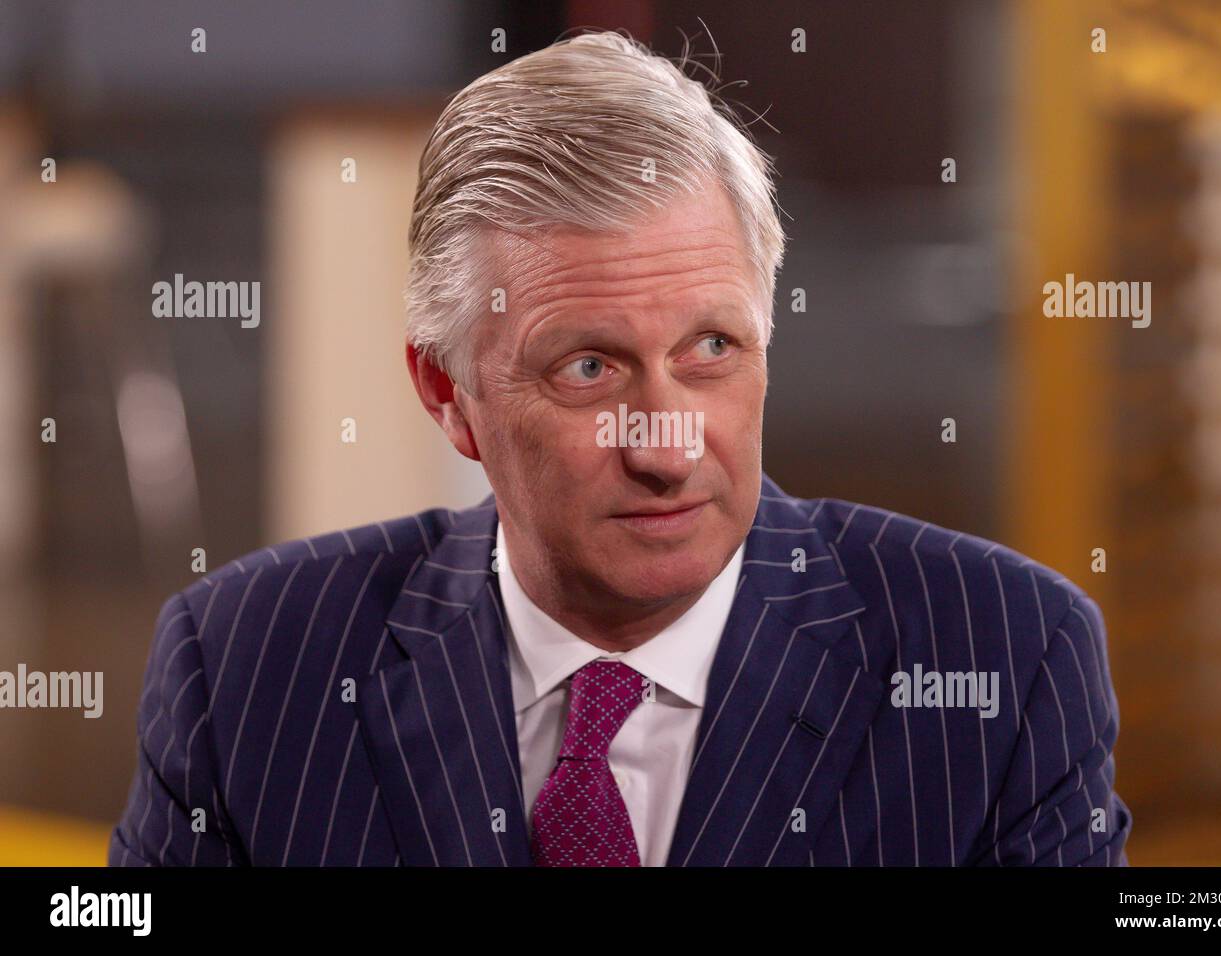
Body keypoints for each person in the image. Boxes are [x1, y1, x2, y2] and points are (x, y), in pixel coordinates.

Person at [110, 31, 1131, 867]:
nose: (667, 447)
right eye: (589, 368)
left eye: (711, 349)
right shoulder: (247, 665)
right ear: (448, 394)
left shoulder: (1003, 654)